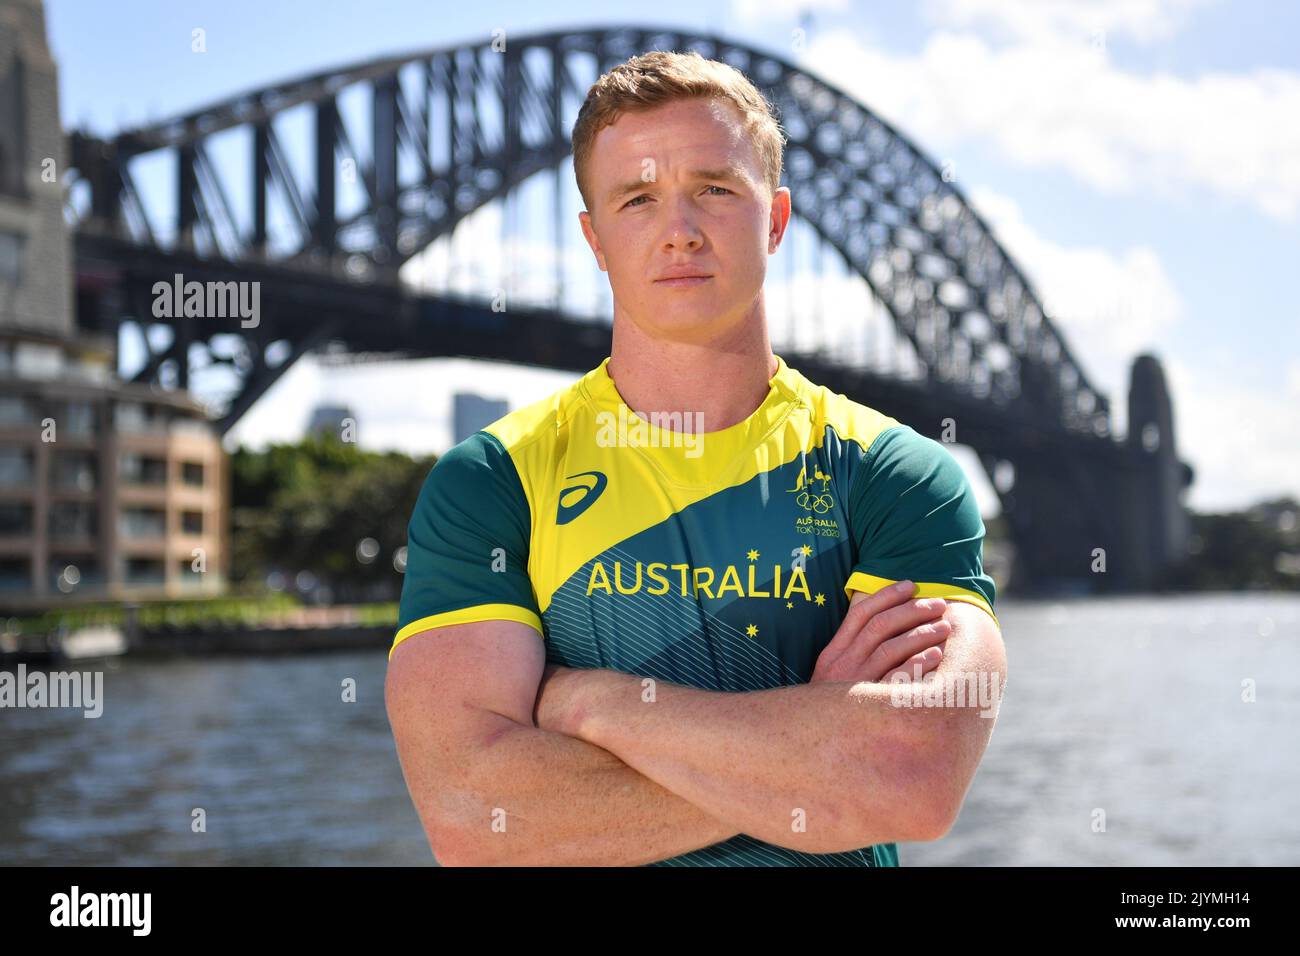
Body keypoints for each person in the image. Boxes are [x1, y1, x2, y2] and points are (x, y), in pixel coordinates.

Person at [385, 50, 1007, 866]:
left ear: (776, 220)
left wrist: (594, 706)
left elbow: (908, 779)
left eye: (715, 188)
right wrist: (816, 744)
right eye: (637, 199)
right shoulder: (493, 483)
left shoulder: (896, 475)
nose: (679, 229)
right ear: (596, 239)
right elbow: (475, 820)